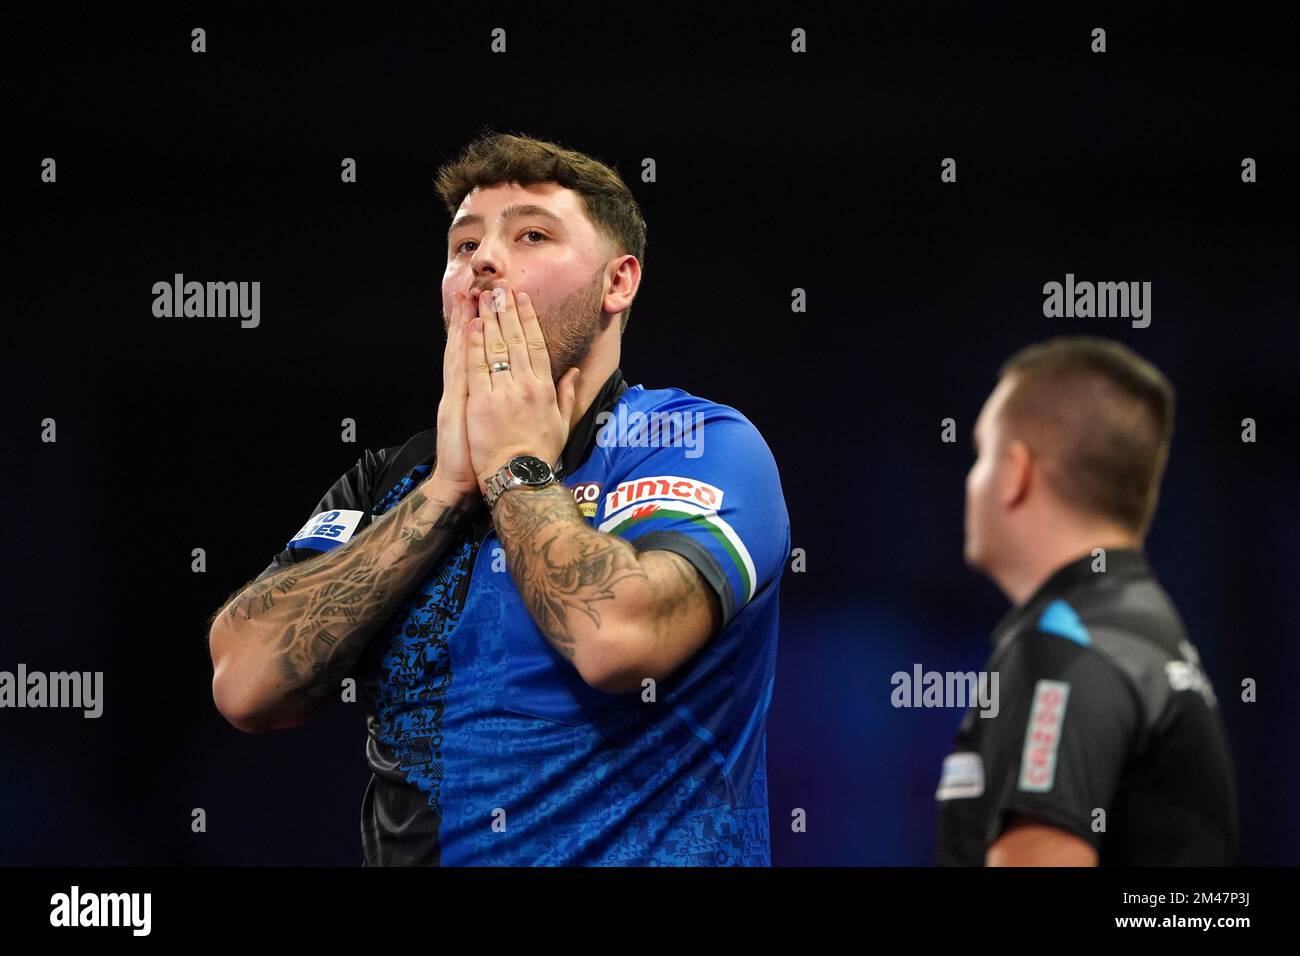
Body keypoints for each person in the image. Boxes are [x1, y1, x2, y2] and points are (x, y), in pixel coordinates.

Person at [207, 132, 790, 866]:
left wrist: (515, 466)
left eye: (533, 235)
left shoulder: (693, 440)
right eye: (462, 246)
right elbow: (246, 685)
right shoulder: (392, 480)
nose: (481, 260)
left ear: (618, 283)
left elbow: (620, 642)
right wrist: (445, 491)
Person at [936, 336, 1237, 865]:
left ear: (1015, 473)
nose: (969, 480)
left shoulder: (1066, 648)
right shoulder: (1145, 634)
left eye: (980, 454)